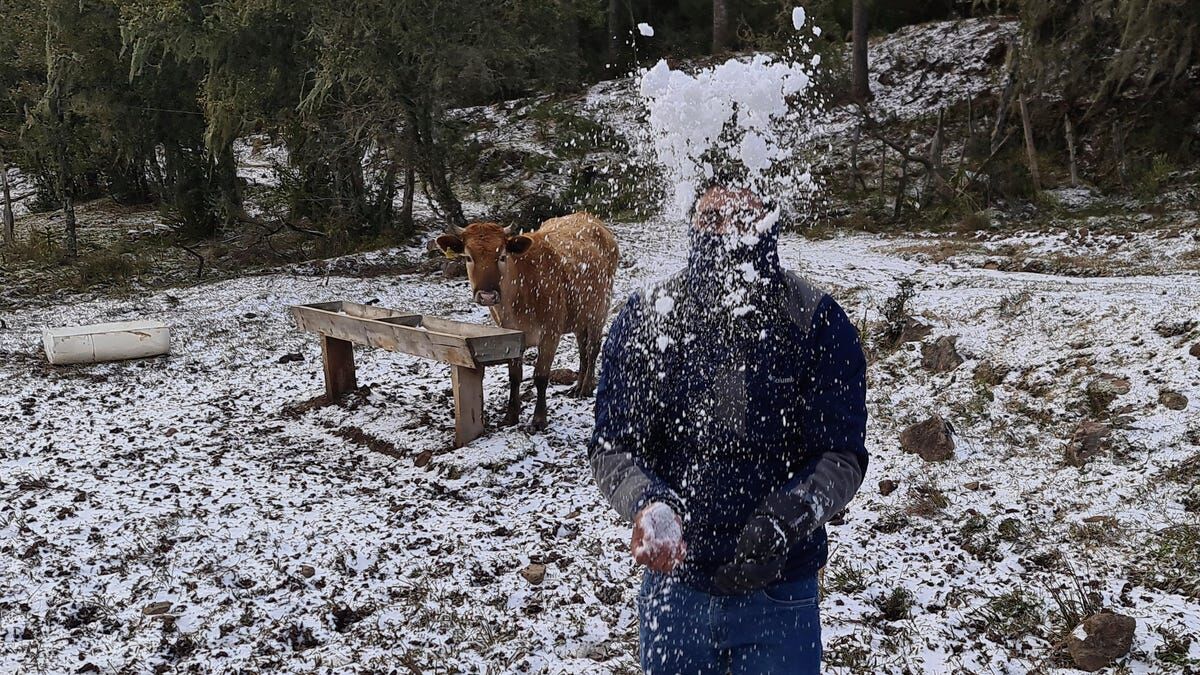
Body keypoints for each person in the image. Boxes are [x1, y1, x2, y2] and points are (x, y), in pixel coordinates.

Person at [588, 185, 869, 674]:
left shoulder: (816, 321)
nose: (727, 228)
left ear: (770, 218)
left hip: (781, 593)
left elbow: (841, 456)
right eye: (713, 215)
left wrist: (789, 517)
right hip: (676, 591)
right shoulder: (647, 317)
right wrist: (648, 504)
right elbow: (614, 447)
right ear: (692, 221)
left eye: (745, 214)